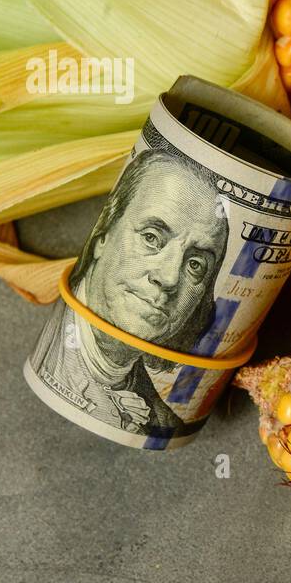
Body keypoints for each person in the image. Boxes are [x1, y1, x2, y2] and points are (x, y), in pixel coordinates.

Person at [30, 148, 228, 434]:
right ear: (103, 234)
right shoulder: (52, 362)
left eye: (196, 264)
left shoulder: (164, 423)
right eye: (151, 237)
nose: (170, 277)